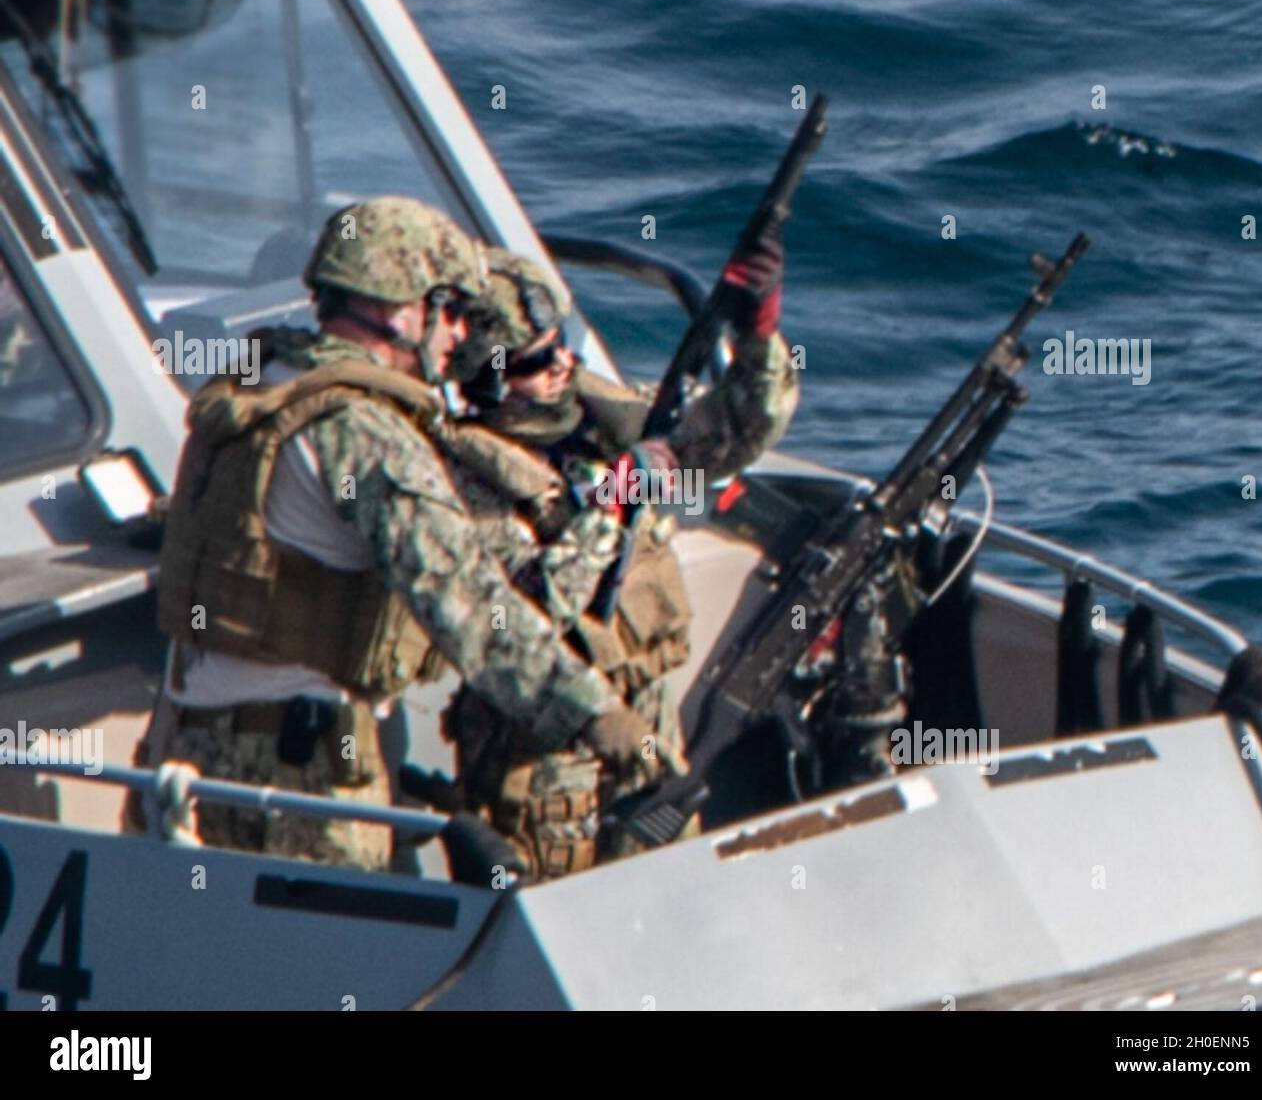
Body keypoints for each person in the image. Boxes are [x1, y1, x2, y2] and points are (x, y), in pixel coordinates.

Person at [129, 197, 644, 872]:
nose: (459, 336)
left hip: (179, 755)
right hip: (294, 778)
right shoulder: (363, 433)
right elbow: (471, 611)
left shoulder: (253, 388)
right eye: (449, 310)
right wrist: (604, 721)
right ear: (402, 310)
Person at [441, 235, 799, 866]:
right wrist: (615, 500)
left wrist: (757, 331)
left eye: (562, 347)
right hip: (549, 742)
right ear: (489, 376)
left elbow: (736, 431)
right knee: (560, 904)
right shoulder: (463, 478)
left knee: (673, 884)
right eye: (534, 362)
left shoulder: (606, 421)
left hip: (647, 708)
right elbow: (529, 606)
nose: (560, 367)